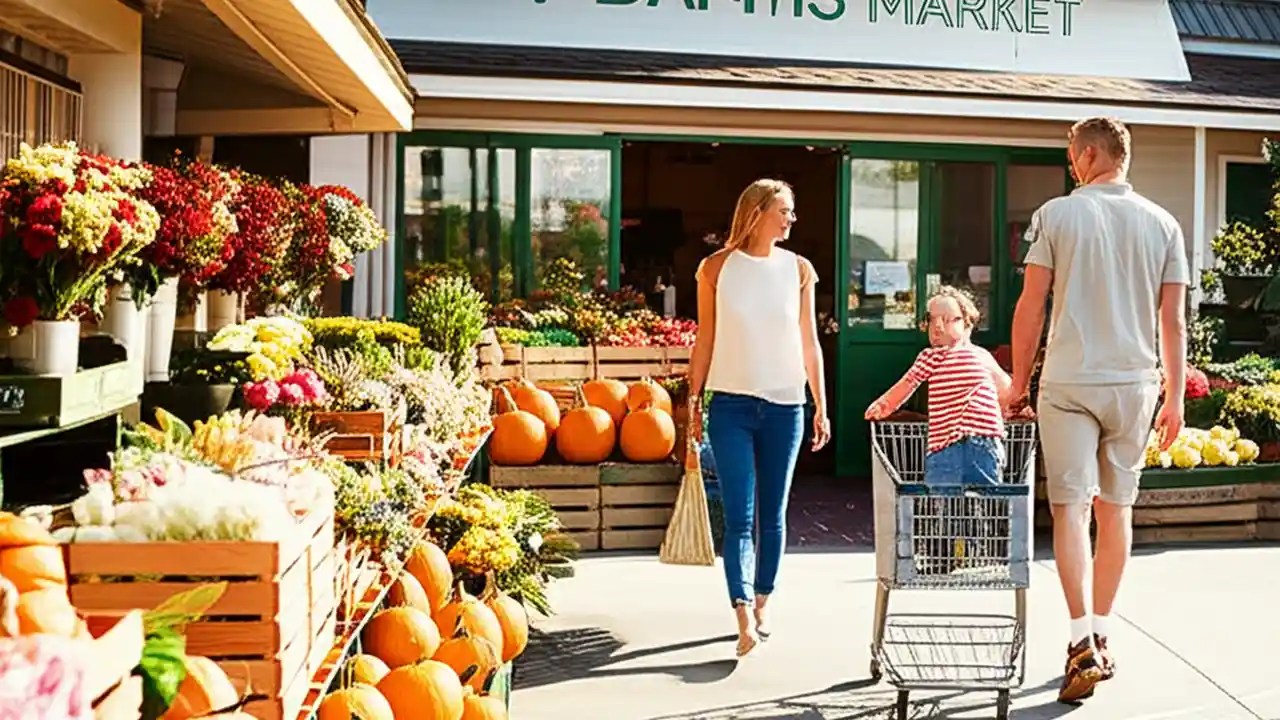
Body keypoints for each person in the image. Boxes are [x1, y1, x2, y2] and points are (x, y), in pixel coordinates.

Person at [1001, 117, 1188, 704]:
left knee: (1069, 508)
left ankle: (1080, 635)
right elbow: (1173, 322)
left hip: (1070, 382)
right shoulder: (1164, 223)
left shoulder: (1056, 215)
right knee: (1116, 510)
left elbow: (1032, 306)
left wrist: (1016, 384)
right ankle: (1103, 632)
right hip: (1134, 384)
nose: (1071, 164)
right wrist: (1176, 395)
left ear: (1087, 155)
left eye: (1071, 155)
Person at [686, 178, 831, 659]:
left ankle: (764, 597)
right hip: (729, 406)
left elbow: (809, 343)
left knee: (773, 513)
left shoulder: (799, 269)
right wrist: (692, 403)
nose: (792, 218)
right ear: (757, 212)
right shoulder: (716, 268)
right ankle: (743, 612)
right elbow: (705, 340)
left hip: (786, 406)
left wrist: (821, 405)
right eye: (785, 210)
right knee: (739, 517)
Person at [864, 286, 1011, 489]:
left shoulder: (982, 356)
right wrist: (884, 405)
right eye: (932, 320)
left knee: (986, 503)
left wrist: (1020, 405)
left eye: (947, 319)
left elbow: (1005, 387)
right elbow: (907, 384)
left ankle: (981, 521)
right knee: (943, 503)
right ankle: (946, 520)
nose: (937, 327)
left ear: (967, 323)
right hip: (944, 444)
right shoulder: (930, 357)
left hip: (984, 440)